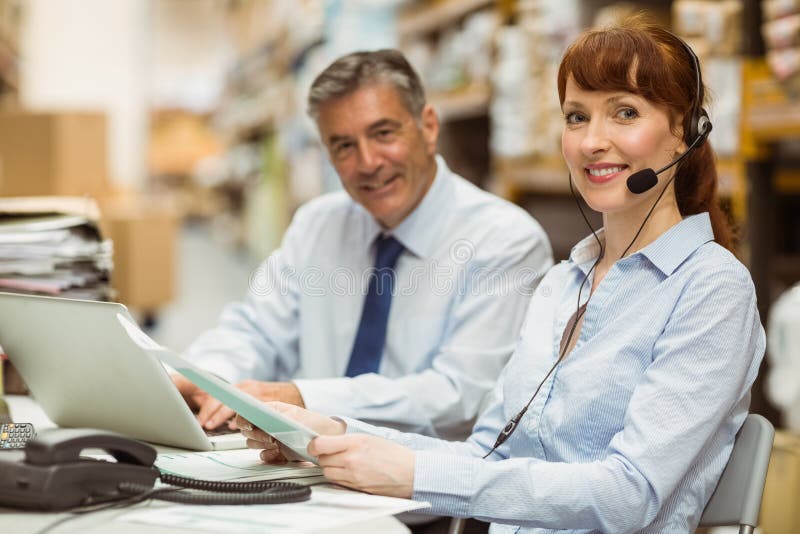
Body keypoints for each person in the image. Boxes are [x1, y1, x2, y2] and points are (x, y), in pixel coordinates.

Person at [239, 17, 766, 533]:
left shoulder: (711, 289)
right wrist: (330, 432)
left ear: (685, 133)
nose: (590, 142)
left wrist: (414, 474)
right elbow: (485, 452)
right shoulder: (566, 282)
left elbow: (628, 495)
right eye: (577, 117)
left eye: (624, 113)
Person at [175, 49, 553, 439]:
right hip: (317, 468)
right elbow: (257, 330)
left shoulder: (505, 241)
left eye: (383, 134)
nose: (368, 162)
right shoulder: (317, 224)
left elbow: (462, 394)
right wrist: (209, 375)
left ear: (428, 127)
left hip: (429, 483)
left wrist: (305, 397)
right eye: (343, 146)